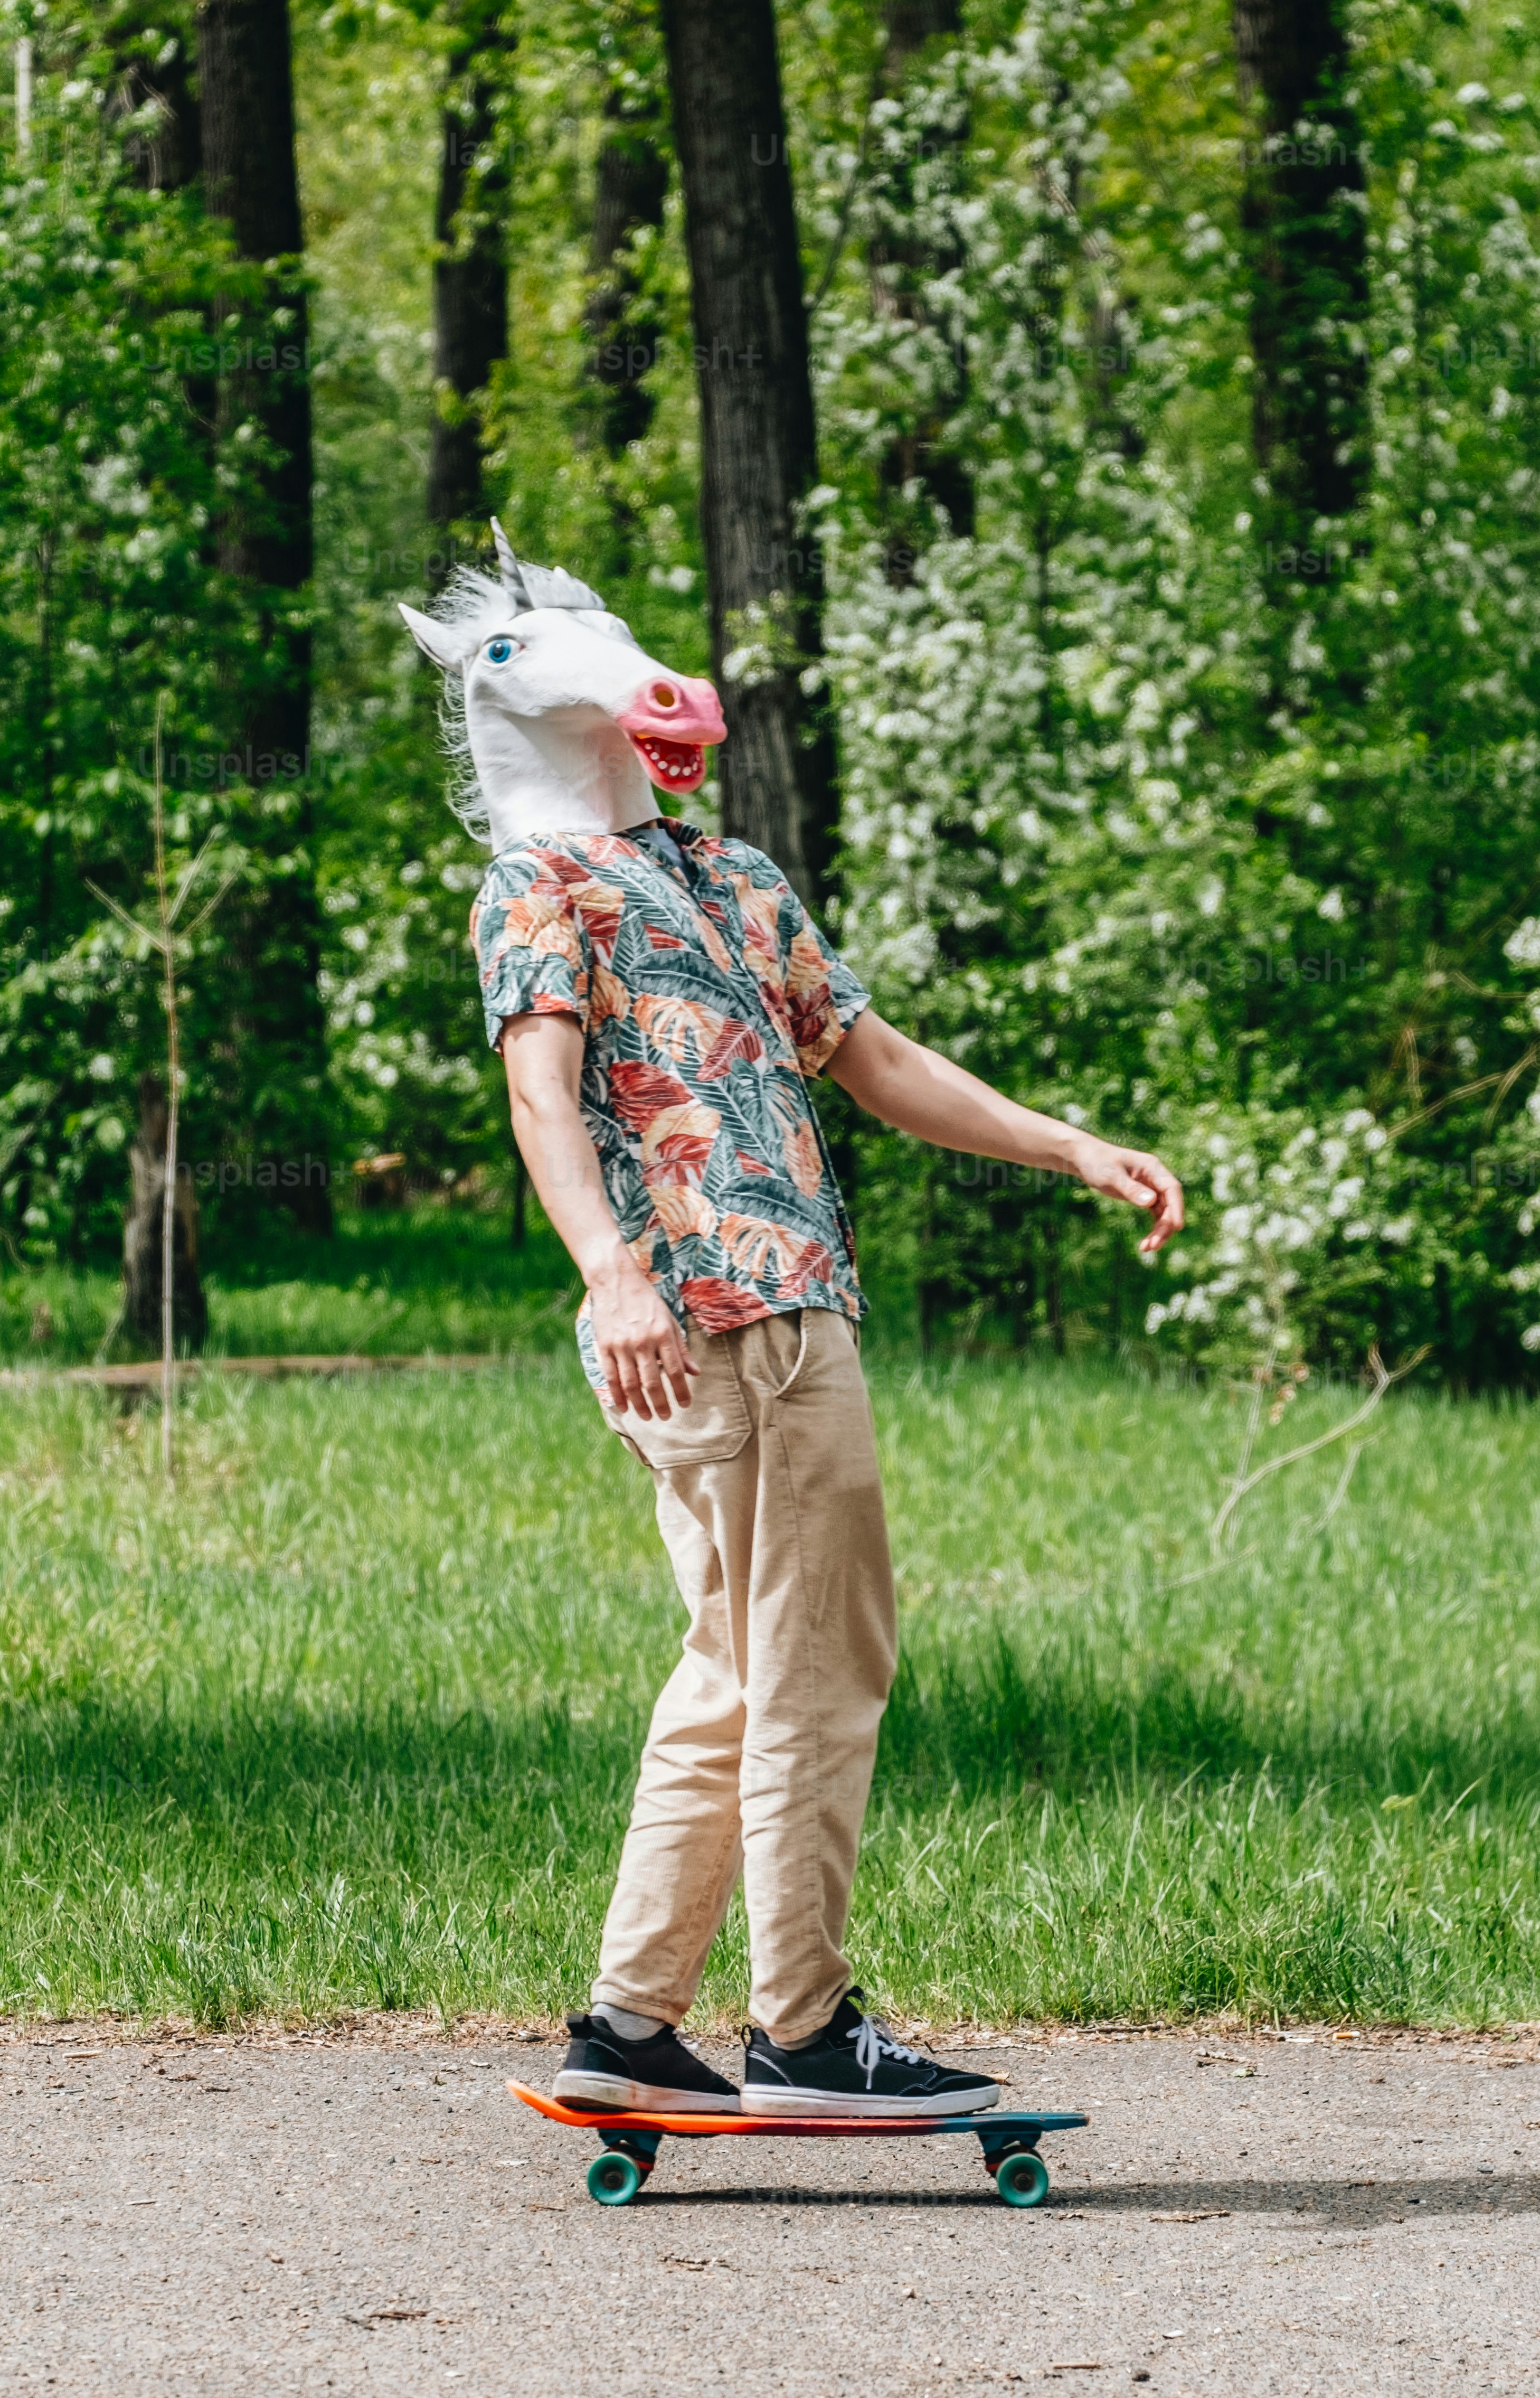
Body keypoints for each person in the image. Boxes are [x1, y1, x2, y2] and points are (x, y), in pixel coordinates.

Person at [485, 814, 1185, 2115]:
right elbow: (539, 1089)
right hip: (723, 1314)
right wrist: (610, 1268)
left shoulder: (734, 872)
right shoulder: (543, 874)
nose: (675, 733)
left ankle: (630, 2023)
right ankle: (803, 2029)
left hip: (778, 1305)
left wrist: (1068, 1145)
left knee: (738, 1668)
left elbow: (876, 1058)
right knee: (818, 1660)